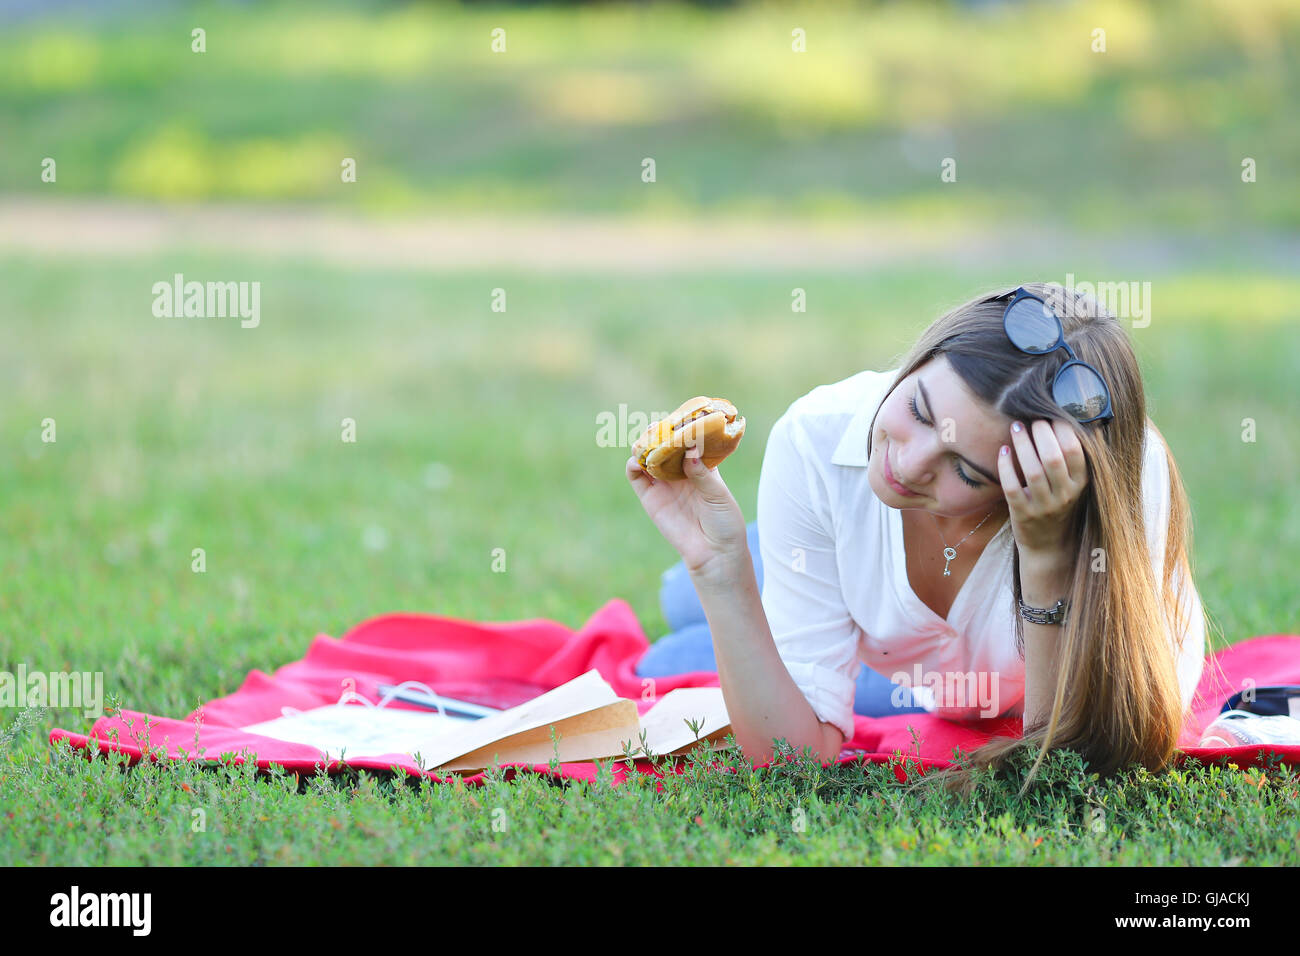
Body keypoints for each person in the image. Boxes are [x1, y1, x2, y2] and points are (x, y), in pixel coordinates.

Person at [625, 282, 1210, 794]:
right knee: (682, 594)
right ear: (924, 356)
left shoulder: (1122, 490)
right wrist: (720, 569)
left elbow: (1067, 765)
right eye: (920, 410)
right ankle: (729, 571)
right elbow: (791, 765)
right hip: (888, 633)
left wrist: (1045, 550)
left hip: (932, 680)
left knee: (668, 660)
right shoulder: (817, 434)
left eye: (967, 471)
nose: (907, 464)